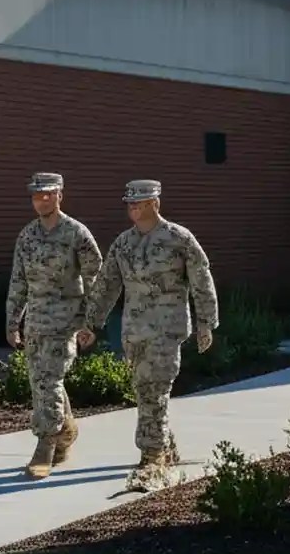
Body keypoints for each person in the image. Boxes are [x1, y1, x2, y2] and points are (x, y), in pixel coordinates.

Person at [84, 179, 219, 492]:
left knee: (155, 388)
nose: (133, 209)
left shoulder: (178, 238)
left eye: (139, 204)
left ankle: (152, 455)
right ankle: (164, 443)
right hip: (134, 331)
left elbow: (201, 279)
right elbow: (107, 285)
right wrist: (91, 323)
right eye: (130, 204)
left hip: (166, 329)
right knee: (144, 390)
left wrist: (206, 322)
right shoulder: (123, 243)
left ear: (155, 204)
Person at [5, 172, 103, 479]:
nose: (42, 200)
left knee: (49, 379)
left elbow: (95, 279)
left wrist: (91, 322)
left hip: (66, 321)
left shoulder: (76, 233)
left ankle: (45, 445)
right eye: (37, 195)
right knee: (41, 382)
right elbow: (19, 281)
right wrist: (13, 321)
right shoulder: (27, 236)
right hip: (35, 321)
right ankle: (66, 430)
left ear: (60, 195)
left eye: (48, 194)